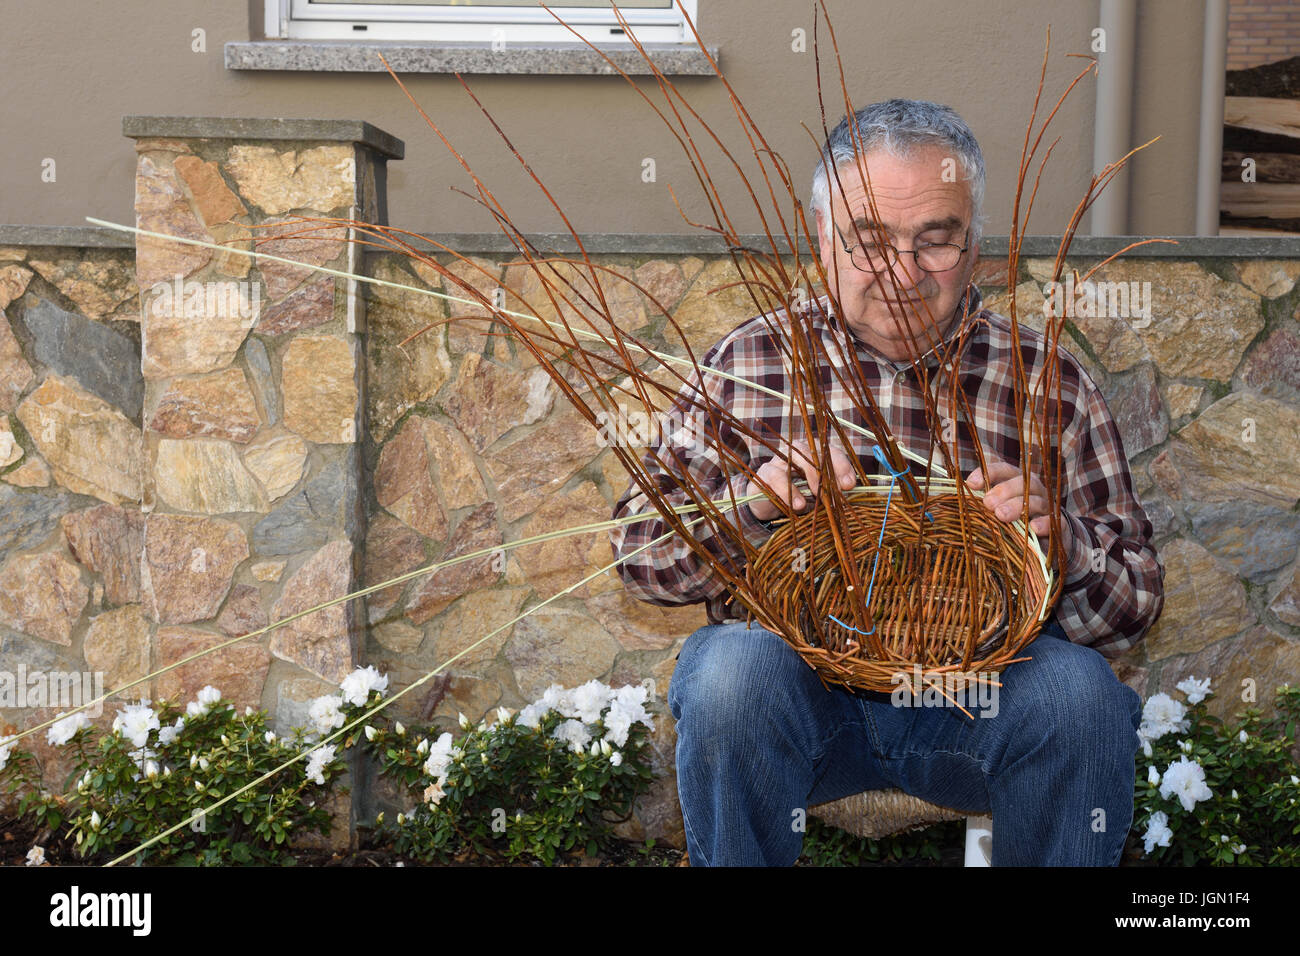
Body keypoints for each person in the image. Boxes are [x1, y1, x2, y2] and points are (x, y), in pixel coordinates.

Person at [610, 99, 1165, 866]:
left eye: (934, 241)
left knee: (1078, 696)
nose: (903, 275)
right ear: (821, 240)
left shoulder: (1050, 380)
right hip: (798, 706)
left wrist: (1060, 542)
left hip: (980, 708)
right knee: (729, 675)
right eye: (869, 242)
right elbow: (638, 556)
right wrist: (753, 506)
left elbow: (1136, 603)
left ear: (976, 246)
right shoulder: (749, 365)